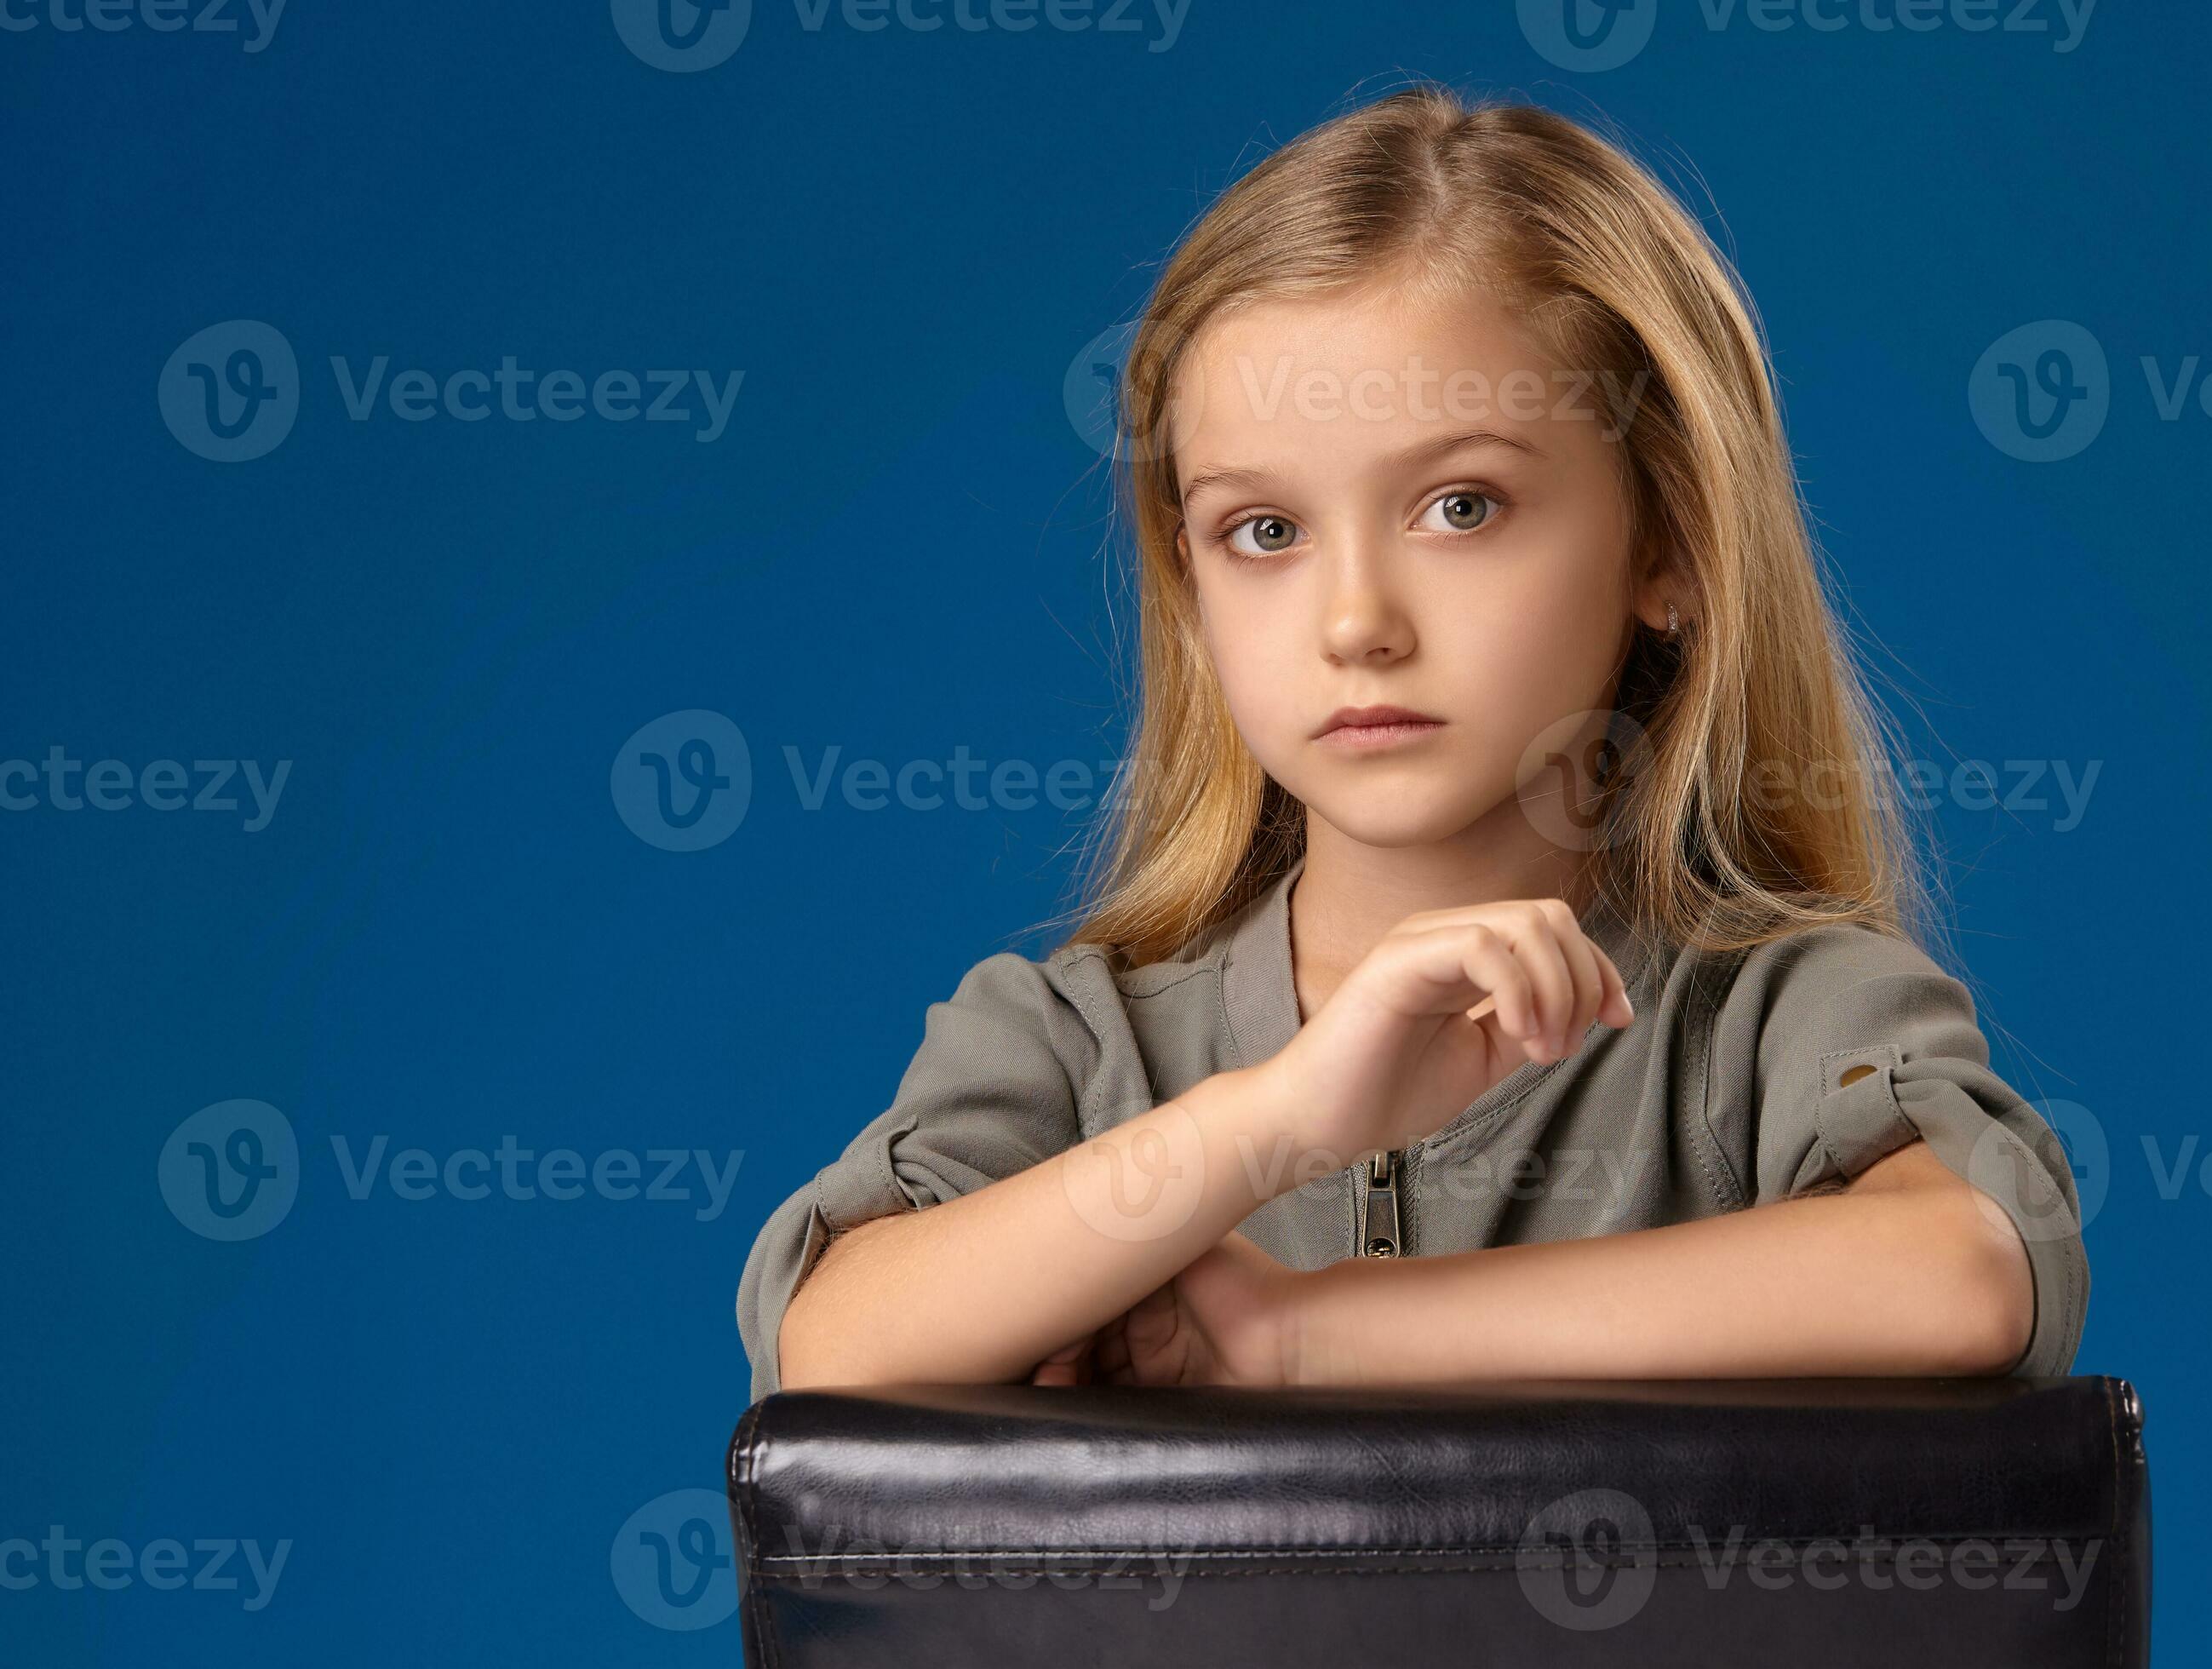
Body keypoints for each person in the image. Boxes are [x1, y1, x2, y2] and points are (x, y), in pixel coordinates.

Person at [736, 82, 2088, 1402]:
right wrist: (1281, 1119)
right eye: (1265, 531)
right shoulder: (1073, 1046)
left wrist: (1304, 1338)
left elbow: (1969, 1269)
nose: (1356, 623)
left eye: (1460, 507)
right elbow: (829, 1341)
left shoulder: (1780, 1016)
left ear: (1669, 543)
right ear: (1191, 585)